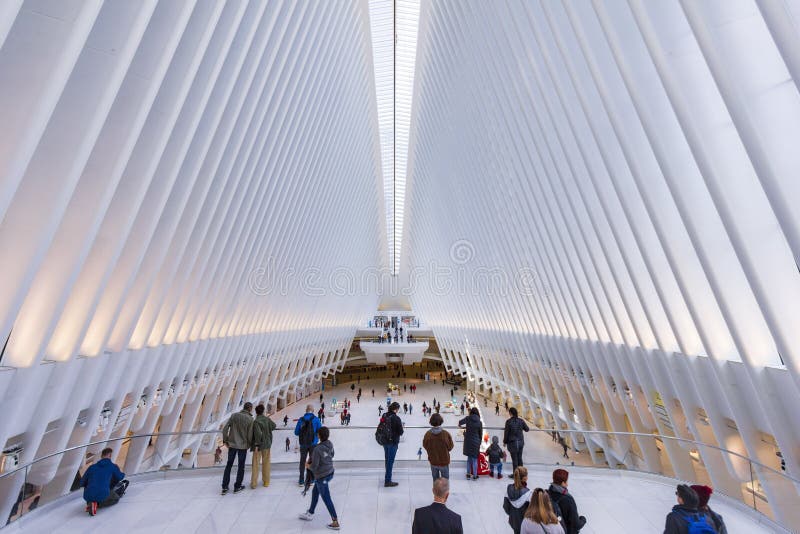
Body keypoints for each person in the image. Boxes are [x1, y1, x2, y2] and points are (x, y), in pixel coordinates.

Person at [298, 426, 340, 530]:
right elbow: (332, 455)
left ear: (319, 436)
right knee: (315, 492)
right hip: (330, 472)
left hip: (322, 476)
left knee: (326, 498)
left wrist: (307, 465)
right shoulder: (330, 444)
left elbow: (314, 466)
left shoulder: (317, 449)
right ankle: (310, 512)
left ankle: (335, 522)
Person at [80, 447, 128, 515]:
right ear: (110, 455)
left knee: (94, 493)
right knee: (116, 498)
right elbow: (120, 477)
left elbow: (82, 482)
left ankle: (91, 502)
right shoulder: (112, 466)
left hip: (88, 495)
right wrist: (120, 471)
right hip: (103, 493)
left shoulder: (92, 467)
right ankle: (97, 504)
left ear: (101, 456)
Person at [221, 402, 253, 494]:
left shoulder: (234, 416)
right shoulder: (250, 419)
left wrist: (225, 441)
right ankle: (237, 486)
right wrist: (249, 445)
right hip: (242, 446)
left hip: (232, 444)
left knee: (229, 465)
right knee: (241, 466)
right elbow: (250, 435)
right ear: (250, 408)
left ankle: (225, 486)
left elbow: (225, 429)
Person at [548, 469, 586, 534]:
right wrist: (583, 519)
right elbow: (576, 525)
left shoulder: (548, 493)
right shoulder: (568, 499)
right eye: (566, 482)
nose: (567, 484)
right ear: (563, 483)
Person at [294, 404, 322, 486]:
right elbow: (320, 431)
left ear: (306, 410)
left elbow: (296, 432)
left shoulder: (301, 420)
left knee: (302, 461)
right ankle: (311, 479)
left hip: (303, 444)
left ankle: (301, 480)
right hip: (313, 443)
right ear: (313, 411)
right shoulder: (316, 419)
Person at [250, 404, 276, 488]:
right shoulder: (267, 419)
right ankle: (266, 481)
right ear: (263, 411)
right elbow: (274, 426)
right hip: (267, 444)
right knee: (266, 463)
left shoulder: (256, 421)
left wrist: (257, 444)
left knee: (255, 464)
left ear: (256, 412)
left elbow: (257, 434)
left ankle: (254, 483)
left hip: (258, 446)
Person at [423, 413, 454, 480]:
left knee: (435, 480)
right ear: (441, 421)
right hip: (444, 461)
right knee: (445, 481)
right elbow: (450, 447)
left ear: (431, 422)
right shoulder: (445, 434)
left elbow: (425, 445)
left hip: (433, 461)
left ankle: (436, 490)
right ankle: (444, 491)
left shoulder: (427, 434)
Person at [505, 466, 532, 534]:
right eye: (527, 475)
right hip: (524, 524)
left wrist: (512, 514)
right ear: (524, 478)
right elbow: (531, 512)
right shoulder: (528, 493)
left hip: (513, 521)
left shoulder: (509, 489)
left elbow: (506, 507)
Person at [382, 402, 404, 487]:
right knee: (390, 462)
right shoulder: (396, 418)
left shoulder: (384, 415)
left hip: (385, 442)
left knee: (387, 460)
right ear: (396, 409)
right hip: (393, 443)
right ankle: (388, 481)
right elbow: (401, 432)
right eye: (398, 409)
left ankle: (387, 477)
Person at [459, 407, 483, 480]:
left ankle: (468, 475)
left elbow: (460, 422)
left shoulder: (468, 418)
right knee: (475, 459)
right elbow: (480, 434)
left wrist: (462, 429)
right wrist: (479, 442)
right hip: (476, 442)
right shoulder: (479, 422)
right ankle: (475, 476)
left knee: (469, 458)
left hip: (468, 441)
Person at [503, 407, 530, 471]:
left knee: (515, 460)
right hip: (520, 442)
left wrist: (505, 442)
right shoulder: (521, 421)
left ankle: (516, 475)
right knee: (519, 458)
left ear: (510, 413)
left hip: (513, 443)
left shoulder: (508, 422)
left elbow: (506, 433)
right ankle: (521, 473)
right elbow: (527, 429)